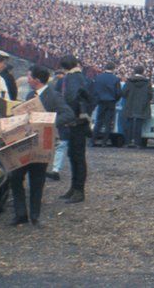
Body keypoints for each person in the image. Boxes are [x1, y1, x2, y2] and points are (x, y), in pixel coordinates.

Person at [11, 65, 74, 226]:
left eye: (29, 77)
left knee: (37, 180)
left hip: (42, 144)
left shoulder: (54, 96)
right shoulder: (30, 95)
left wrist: (49, 123)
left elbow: (68, 114)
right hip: (25, 143)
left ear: (37, 80)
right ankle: (20, 214)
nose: (28, 79)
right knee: (15, 177)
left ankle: (35, 215)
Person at [56, 55, 92, 203]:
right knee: (75, 156)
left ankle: (78, 190)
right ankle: (75, 188)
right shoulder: (80, 77)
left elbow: (71, 98)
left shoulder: (72, 78)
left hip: (75, 122)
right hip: (79, 121)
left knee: (77, 157)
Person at [91, 62, 122, 147]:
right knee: (108, 123)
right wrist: (115, 100)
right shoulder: (116, 79)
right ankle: (104, 142)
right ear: (113, 69)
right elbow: (119, 93)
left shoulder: (98, 77)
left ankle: (92, 140)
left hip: (101, 101)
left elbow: (94, 90)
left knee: (98, 121)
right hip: (111, 102)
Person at [121, 66, 152, 148]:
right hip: (142, 106)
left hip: (130, 105)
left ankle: (127, 142)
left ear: (134, 71)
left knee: (129, 123)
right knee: (139, 125)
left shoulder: (129, 81)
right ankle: (137, 143)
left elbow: (124, 93)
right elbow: (150, 95)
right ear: (143, 72)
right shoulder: (147, 82)